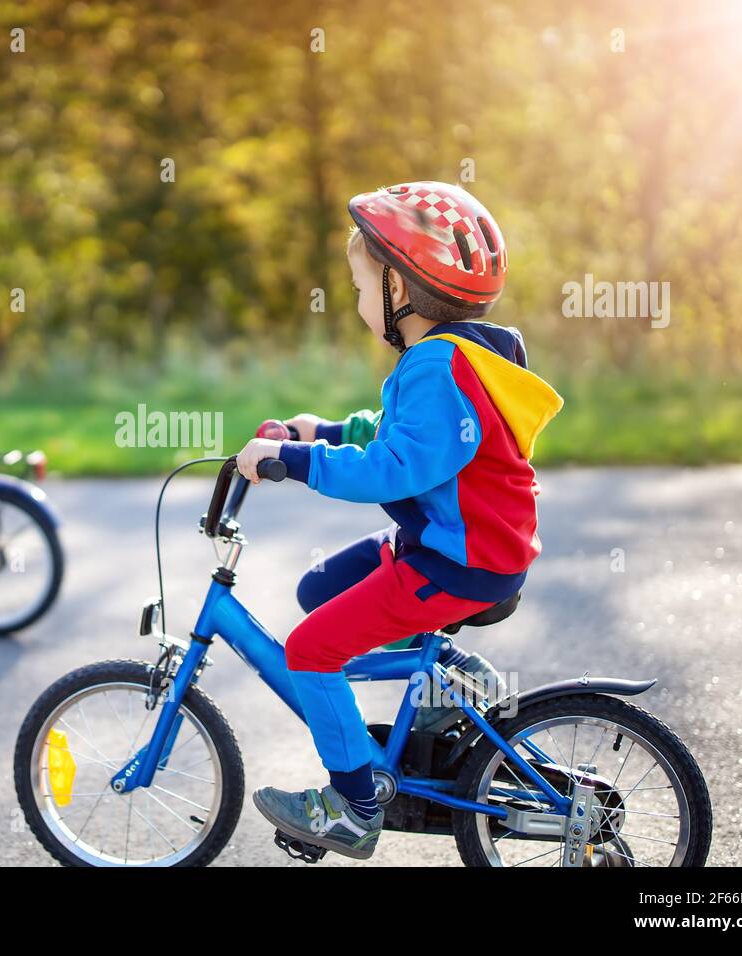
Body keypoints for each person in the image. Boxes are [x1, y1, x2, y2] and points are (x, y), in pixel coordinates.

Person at [237, 182, 563, 859]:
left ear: (400, 288)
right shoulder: (454, 357)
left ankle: (355, 806)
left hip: (460, 560)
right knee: (318, 592)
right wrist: (321, 430)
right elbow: (406, 438)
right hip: (454, 542)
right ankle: (452, 679)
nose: (355, 303)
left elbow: (393, 470)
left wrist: (295, 463)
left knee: (309, 649)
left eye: (359, 286)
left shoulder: (437, 365)